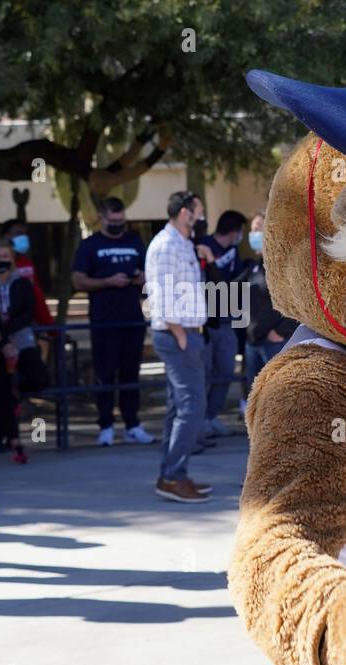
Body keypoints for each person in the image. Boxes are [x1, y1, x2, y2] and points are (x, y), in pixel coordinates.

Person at [71, 197, 155, 445]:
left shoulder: (135, 242)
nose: (118, 224)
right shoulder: (90, 245)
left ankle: (132, 425)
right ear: (102, 218)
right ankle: (105, 426)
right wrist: (107, 282)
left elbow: (150, 274)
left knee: (131, 374)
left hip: (132, 319)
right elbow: (78, 280)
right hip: (103, 321)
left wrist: (141, 278)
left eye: (121, 220)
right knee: (105, 374)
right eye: (113, 220)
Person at [145, 190, 211, 502]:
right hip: (177, 334)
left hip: (186, 332)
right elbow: (159, 295)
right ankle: (172, 476)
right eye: (198, 210)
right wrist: (180, 333)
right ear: (185, 213)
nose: (201, 216)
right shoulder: (165, 245)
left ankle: (172, 475)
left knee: (178, 408)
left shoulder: (182, 244)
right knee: (192, 406)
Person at [0, 238, 44, 462]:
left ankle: (18, 391)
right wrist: (2, 343)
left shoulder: (22, 283)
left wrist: (8, 336)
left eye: (5, 257)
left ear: (12, 259)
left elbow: (26, 312)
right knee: (1, 392)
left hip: (21, 340)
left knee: (39, 378)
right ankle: (12, 440)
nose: (1, 261)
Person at [238, 213, 296, 411]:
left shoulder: (282, 265)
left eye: (259, 228)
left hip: (274, 342)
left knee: (276, 400)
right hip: (253, 343)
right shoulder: (252, 266)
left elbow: (296, 304)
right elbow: (230, 290)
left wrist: (281, 331)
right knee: (255, 401)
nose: (254, 233)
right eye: (253, 229)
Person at [198, 209, 248, 438]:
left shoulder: (234, 250)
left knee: (226, 370)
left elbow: (235, 280)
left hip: (228, 318)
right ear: (234, 230)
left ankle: (211, 416)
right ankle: (199, 422)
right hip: (206, 323)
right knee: (205, 372)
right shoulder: (204, 246)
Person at [3, 219, 52, 330]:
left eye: (25, 234)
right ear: (7, 236)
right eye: (19, 233)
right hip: (8, 325)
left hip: (32, 324)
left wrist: (47, 324)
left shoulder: (26, 262)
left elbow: (36, 294)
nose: (24, 238)